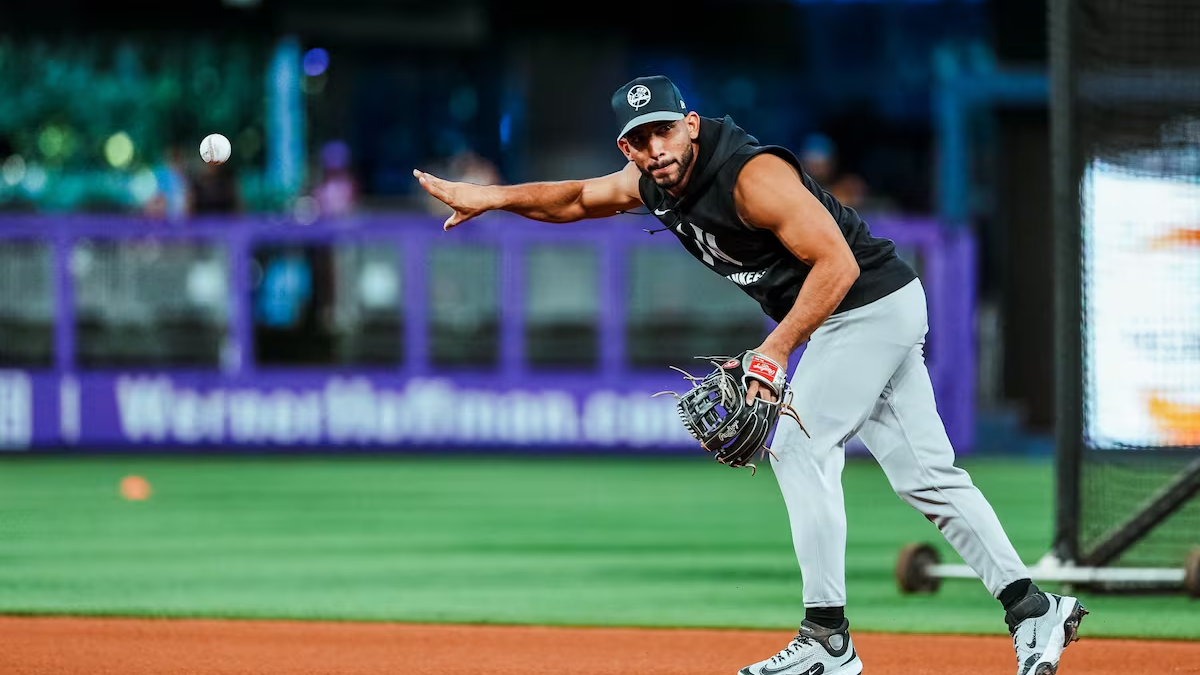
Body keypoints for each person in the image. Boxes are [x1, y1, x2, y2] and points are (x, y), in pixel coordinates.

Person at [413, 75, 1086, 675]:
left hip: (864, 307)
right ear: (628, 149)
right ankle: (1033, 608)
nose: (655, 147)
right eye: (639, 138)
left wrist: (775, 350)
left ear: (691, 124)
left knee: (798, 444)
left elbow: (838, 267)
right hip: (860, 315)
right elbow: (575, 200)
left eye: (664, 130)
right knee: (926, 475)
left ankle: (827, 637)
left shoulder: (749, 177)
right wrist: (490, 197)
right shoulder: (651, 180)